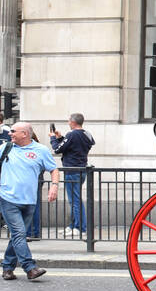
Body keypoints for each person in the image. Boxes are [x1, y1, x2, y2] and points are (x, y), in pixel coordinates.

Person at [1, 122, 60, 281]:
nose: (10, 133)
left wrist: (54, 186)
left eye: (13, 131)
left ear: (24, 134)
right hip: (8, 198)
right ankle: (30, 267)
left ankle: (7, 267)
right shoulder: (6, 148)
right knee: (20, 234)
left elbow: (53, 169)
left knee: (17, 235)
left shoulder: (40, 150)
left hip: (29, 200)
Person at [51, 113, 95, 238]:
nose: (68, 123)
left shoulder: (72, 134)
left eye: (69, 121)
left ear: (73, 122)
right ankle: (74, 225)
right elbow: (74, 146)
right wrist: (61, 138)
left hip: (71, 170)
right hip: (82, 169)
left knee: (74, 200)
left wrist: (54, 138)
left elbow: (57, 149)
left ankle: (80, 227)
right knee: (76, 199)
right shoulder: (87, 134)